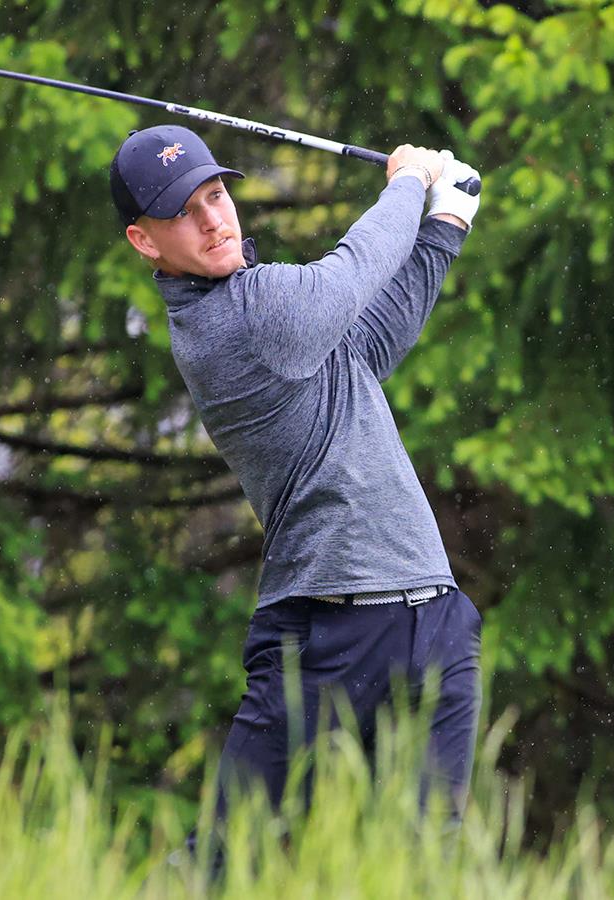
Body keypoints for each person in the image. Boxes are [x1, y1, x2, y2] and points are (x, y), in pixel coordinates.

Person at [109, 125, 484, 835]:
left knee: (428, 856)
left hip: (435, 616)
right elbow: (346, 279)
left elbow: (370, 343)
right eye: (183, 212)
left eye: (215, 196)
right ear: (144, 241)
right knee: (233, 853)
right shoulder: (239, 317)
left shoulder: (270, 313)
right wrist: (409, 182)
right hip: (327, 631)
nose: (213, 220)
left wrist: (444, 228)